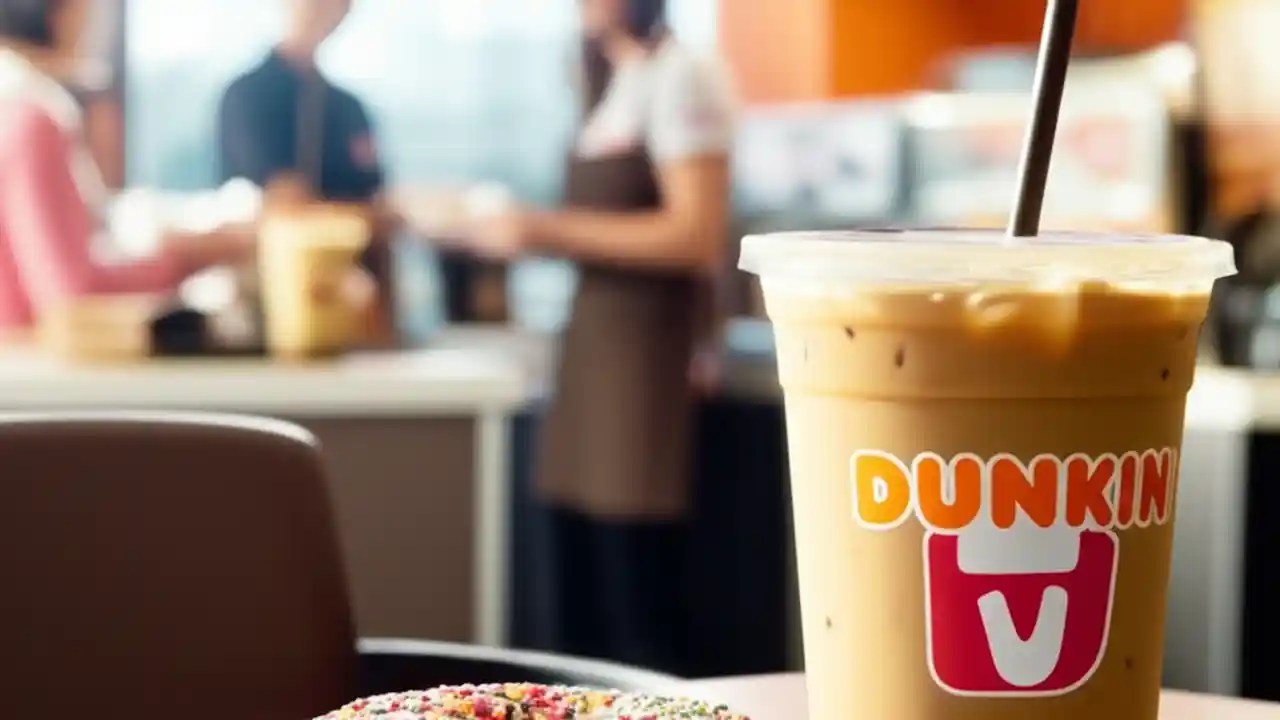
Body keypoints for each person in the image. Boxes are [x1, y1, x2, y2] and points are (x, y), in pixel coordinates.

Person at [470, 0, 734, 671]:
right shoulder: (615, 79)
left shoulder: (684, 75)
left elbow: (695, 233)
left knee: (637, 608)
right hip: (588, 357)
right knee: (577, 608)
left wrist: (539, 230)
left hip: (644, 368)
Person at [0, 0, 252, 338]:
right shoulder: (32, 118)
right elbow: (71, 299)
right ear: (61, 12)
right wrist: (189, 256)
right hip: (33, 374)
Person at [217, 0, 394, 342]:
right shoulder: (247, 97)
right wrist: (360, 219)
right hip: (271, 299)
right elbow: (286, 208)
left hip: (354, 308)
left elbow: (381, 213)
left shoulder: (349, 109)